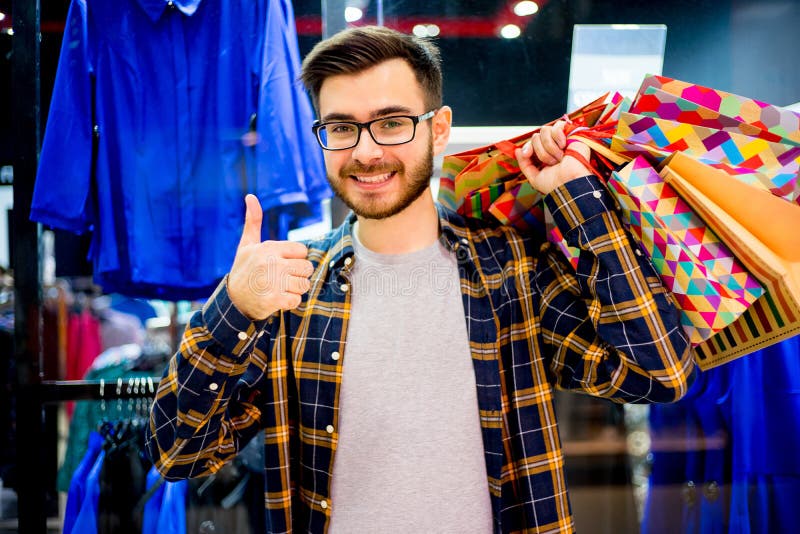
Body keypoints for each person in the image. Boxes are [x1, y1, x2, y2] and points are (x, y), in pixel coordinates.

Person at [146, 25, 695, 533]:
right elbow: (177, 452)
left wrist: (579, 200)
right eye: (341, 128)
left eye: (391, 123)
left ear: (439, 129)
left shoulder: (509, 271)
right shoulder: (291, 289)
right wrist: (233, 309)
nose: (365, 151)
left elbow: (659, 372)